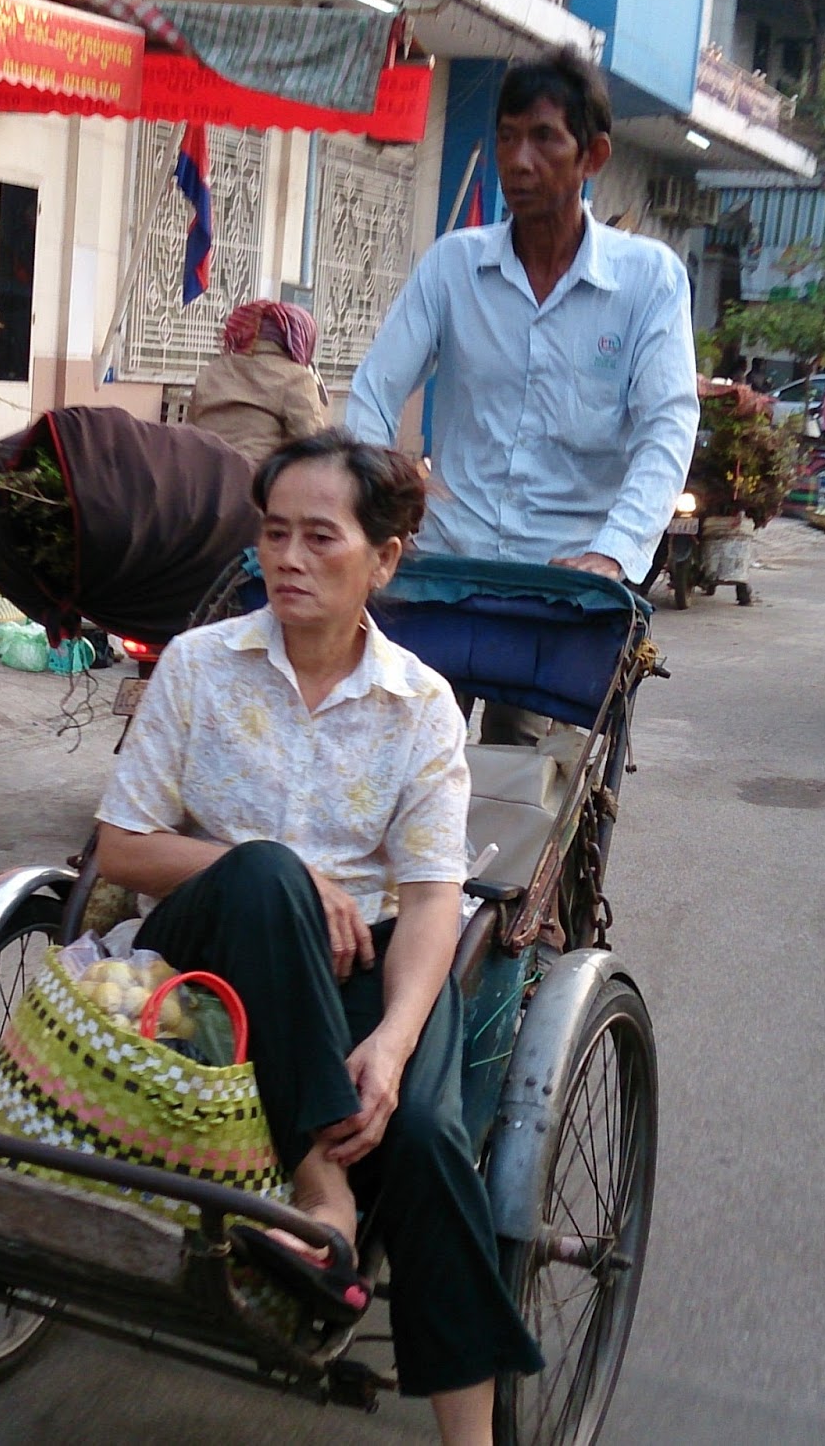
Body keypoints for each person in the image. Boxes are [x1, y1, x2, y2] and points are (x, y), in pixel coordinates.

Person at [95, 428, 544, 1446]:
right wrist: (292, 871)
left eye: (319, 537)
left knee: (423, 1137)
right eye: (273, 534)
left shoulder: (419, 706)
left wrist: (391, 1041)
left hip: (364, 958)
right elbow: (122, 846)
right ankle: (319, 1182)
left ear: (383, 558)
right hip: (206, 949)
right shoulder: (200, 667)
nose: (288, 558)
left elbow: (430, 900)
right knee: (263, 871)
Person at [344, 49, 697, 743]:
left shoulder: (648, 279)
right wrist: (374, 514)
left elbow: (667, 426)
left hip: (561, 590)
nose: (519, 160)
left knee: (524, 774)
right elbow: (374, 392)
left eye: (543, 138)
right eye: (507, 138)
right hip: (449, 568)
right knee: (398, 749)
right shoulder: (454, 265)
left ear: (592, 156)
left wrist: (614, 552)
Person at [188, 300, 330, 464]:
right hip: (256, 475)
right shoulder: (297, 377)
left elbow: (189, 430)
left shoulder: (212, 371)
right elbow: (311, 445)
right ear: (301, 338)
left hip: (201, 471)